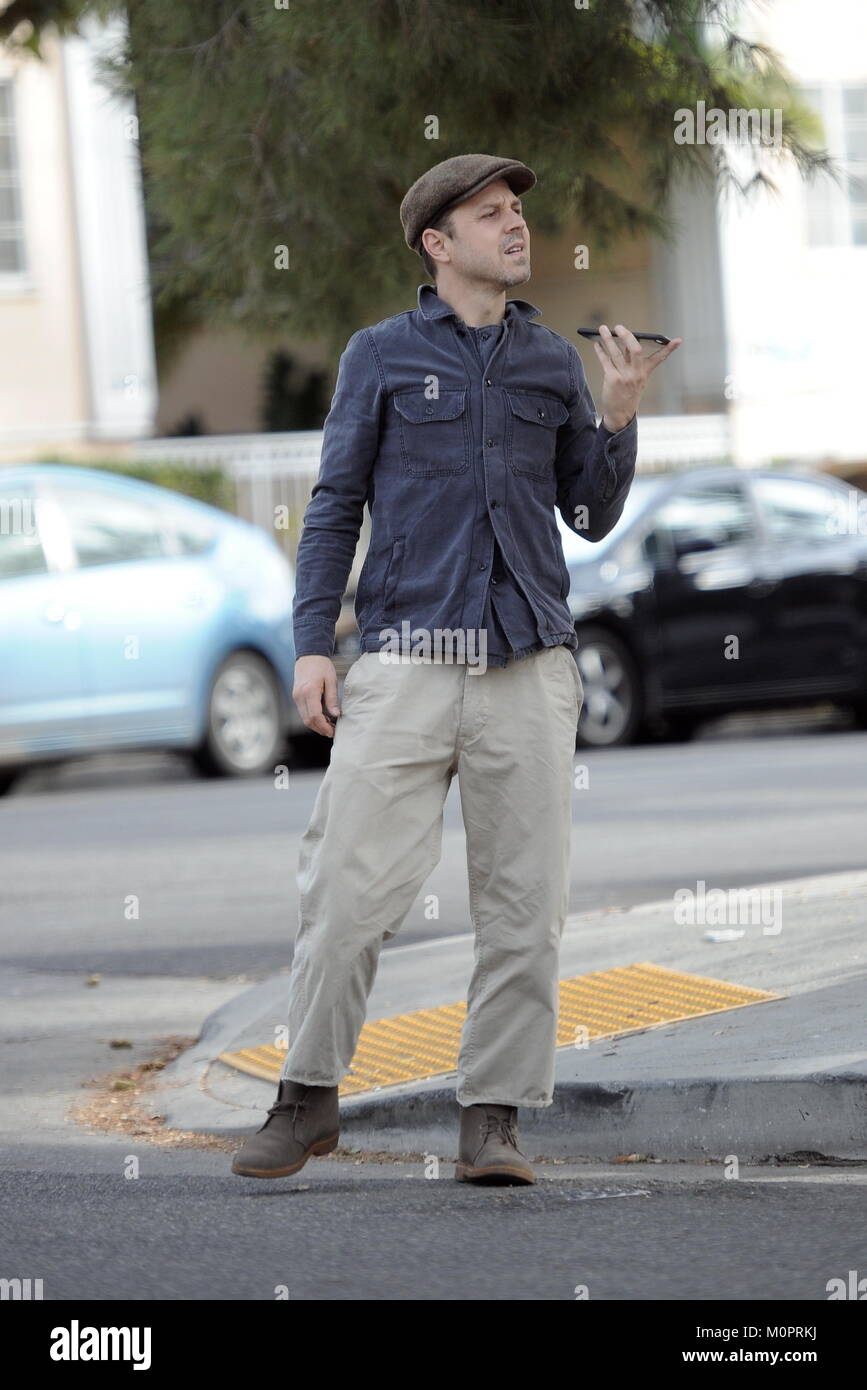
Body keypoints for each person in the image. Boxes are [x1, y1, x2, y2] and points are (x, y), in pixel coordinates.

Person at [231, 153, 681, 1185]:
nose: (515, 226)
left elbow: (588, 511)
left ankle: (494, 1119)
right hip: (405, 658)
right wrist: (310, 642)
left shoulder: (545, 362)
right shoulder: (379, 356)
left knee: (526, 904)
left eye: (519, 210)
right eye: (491, 215)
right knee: (345, 888)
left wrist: (616, 412)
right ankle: (306, 1099)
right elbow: (335, 503)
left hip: (529, 660)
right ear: (439, 244)